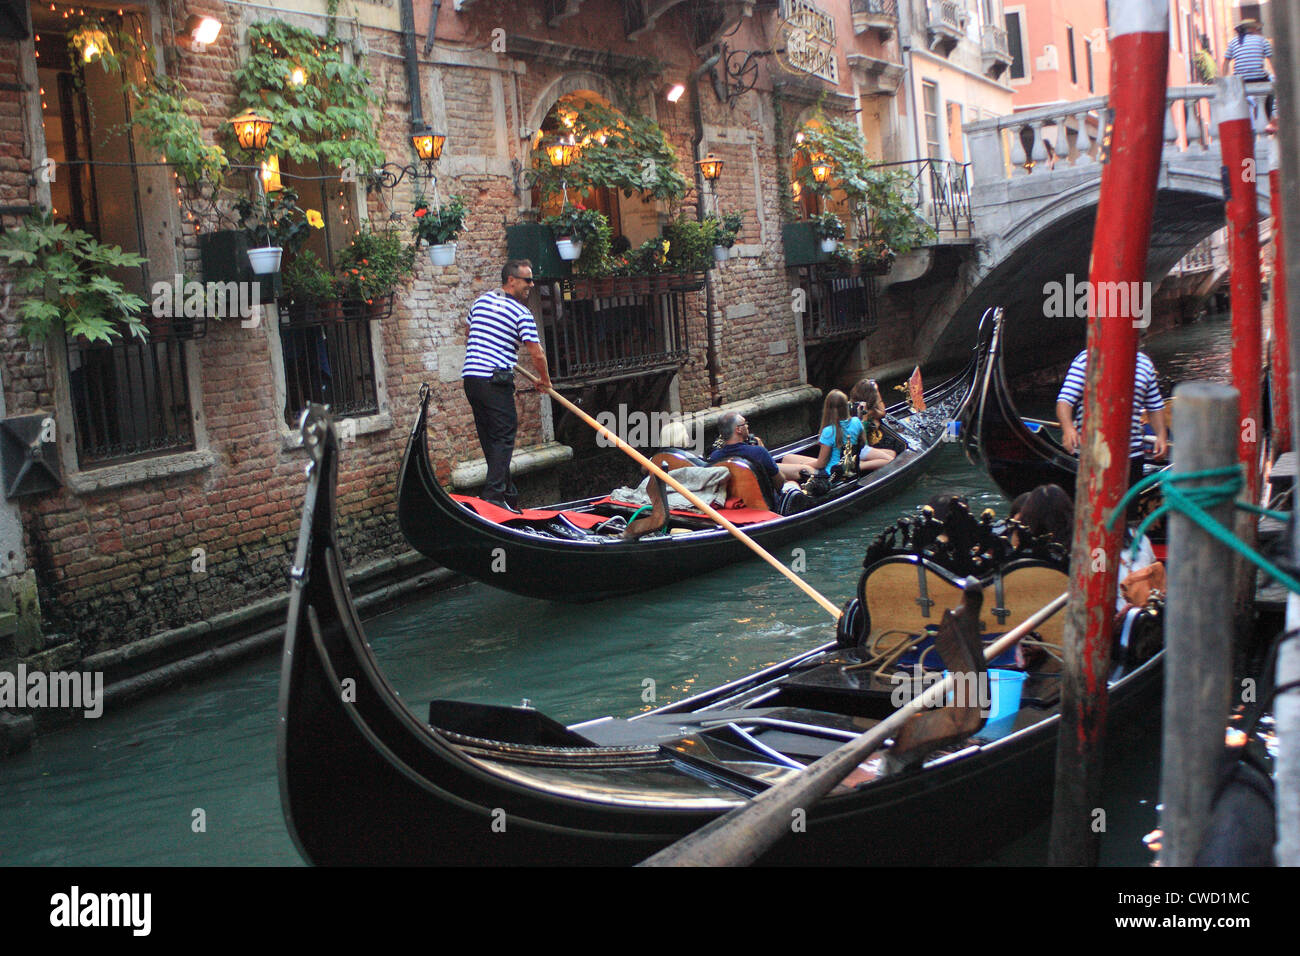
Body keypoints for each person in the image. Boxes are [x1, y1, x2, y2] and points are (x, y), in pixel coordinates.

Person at [461, 259, 552, 512]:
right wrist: (545, 381)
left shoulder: (481, 301)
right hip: (494, 379)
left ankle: (507, 494)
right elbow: (537, 353)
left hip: (471, 378)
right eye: (527, 280)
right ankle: (493, 496)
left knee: (491, 437)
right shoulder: (521, 313)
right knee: (504, 435)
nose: (531, 285)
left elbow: (469, 332)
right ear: (511, 280)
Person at [1055, 346, 1167, 495]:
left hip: (1132, 455)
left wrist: (1161, 436)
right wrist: (1068, 429)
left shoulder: (1144, 363)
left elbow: (1154, 406)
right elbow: (1065, 401)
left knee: (1129, 509)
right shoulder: (1086, 359)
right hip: (1092, 454)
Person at [780, 390, 864, 479]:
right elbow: (863, 444)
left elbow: (820, 464)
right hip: (844, 469)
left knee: (780, 468)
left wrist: (803, 465)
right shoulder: (857, 422)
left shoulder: (829, 431)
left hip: (829, 475)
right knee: (787, 458)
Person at [708, 412, 799, 488]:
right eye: (745, 423)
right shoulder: (759, 452)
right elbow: (779, 483)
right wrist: (763, 451)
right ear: (738, 429)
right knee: (793, 484)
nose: (747, 426)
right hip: (765, 504)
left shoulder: (714, 457)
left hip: (739, 501)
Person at [1223, 19, 1275, 123]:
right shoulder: (1262, 40)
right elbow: (1272, 60)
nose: (1259, 30)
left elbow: (1226, 62)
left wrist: (1224, 80)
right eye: (1258, 28)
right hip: (1259, 78)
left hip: (1240, 80)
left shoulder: (1233, 42)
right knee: (1270, 93)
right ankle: (1267, 117)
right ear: (1252, 28)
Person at [848, 378, 897, 473]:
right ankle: (857, 465)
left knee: (892, 453)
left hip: (860, 448)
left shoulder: (852, 406)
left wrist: (875, 391)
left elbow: (882, 413)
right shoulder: (863, 413)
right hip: (858, 449)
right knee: (890, 460)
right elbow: (861, 441)